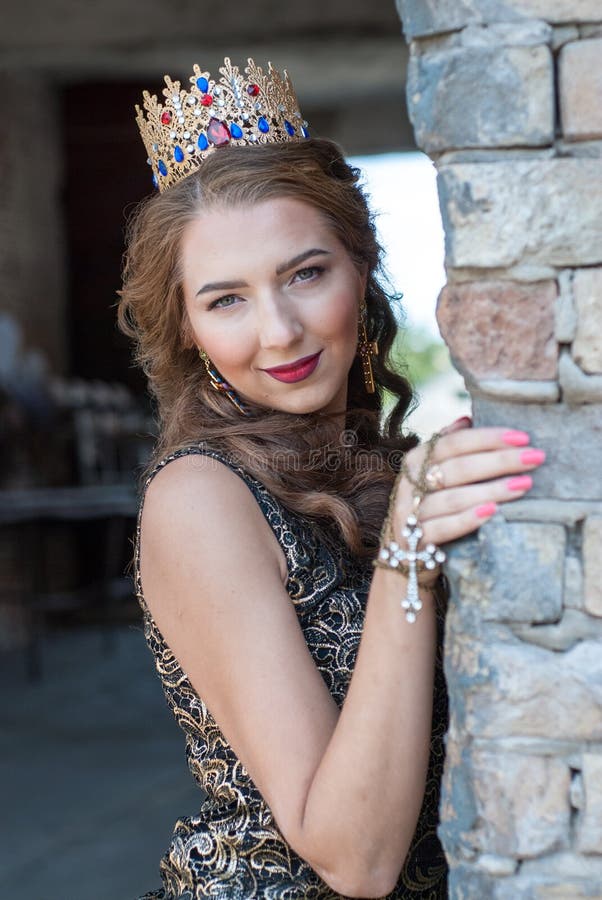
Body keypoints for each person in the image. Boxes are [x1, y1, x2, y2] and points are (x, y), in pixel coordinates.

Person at [118, 58, 546, 900]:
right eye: (226, 300)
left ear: (360, 266)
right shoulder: (199, 497)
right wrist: (409, 551)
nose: (278, 331)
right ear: (190, 328)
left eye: (305, 273)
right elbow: (354, 858)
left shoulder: (381, 464)